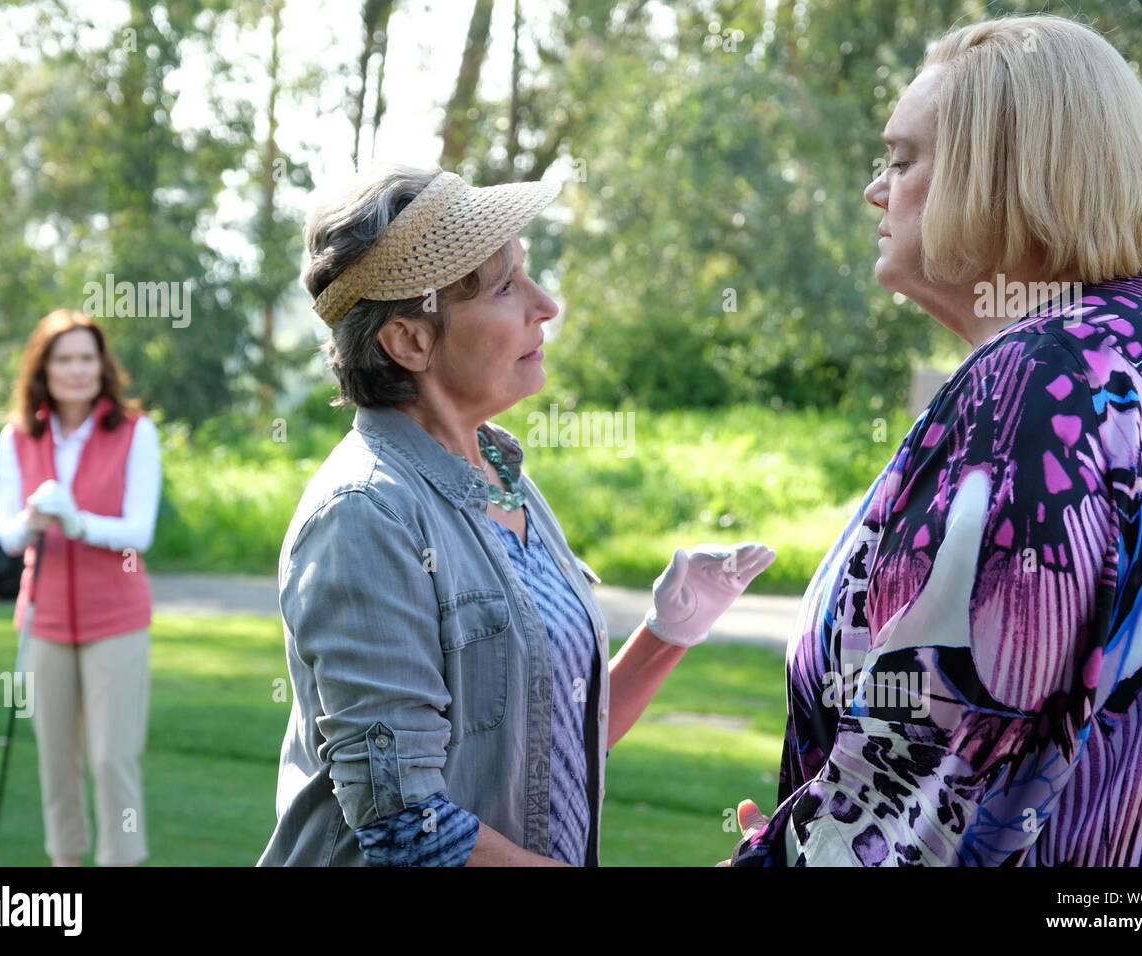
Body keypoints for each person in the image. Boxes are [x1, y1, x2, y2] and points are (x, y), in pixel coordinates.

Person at [730, 13, 1142, 866]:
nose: (874, 191)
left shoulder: (1038, 382)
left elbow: (936, 764)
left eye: (902, 159)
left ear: (998, 174)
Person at [258, 165, 775, 866]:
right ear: (409, 341)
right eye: (506, 288)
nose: (546, 305)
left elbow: (549, 738)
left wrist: (667, 635)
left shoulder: (505, 481)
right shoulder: (366, 515)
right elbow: (406, 826)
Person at [0, 308, 161, 866]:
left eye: (87, 357)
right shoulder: (18, 436)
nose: (76, 369)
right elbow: (7, 534)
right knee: (55, 763)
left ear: (102, 365)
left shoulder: (136, 432)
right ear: (43, 368)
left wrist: (77, 522)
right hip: (43, 619)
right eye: (63, 358)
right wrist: (31, 520)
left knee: (113, 759)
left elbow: (141, 530)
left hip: (115, 619)